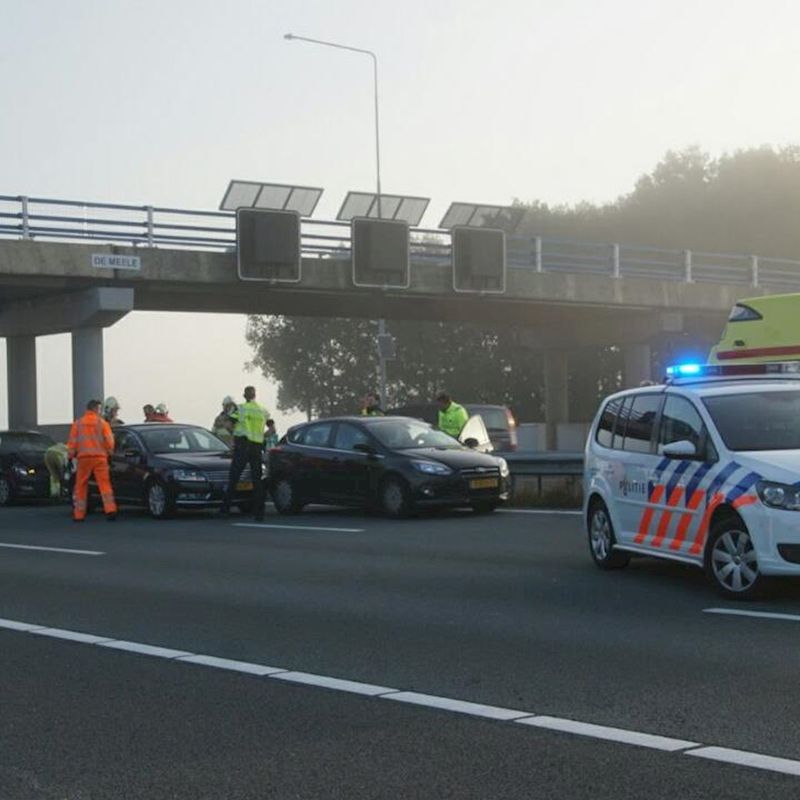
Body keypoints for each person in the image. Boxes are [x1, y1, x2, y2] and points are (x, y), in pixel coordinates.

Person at [219, 386, 269, 521]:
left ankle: (225, 510)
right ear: (255, 395)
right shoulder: (263, 410)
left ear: (244, 395)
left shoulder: (241, 408)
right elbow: (271, 429)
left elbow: (229, 425)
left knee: (234, 477)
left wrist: (232, 434)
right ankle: (259, 513)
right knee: (257, 480)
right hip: (257, 447)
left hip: (243, 445)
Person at [68, 399, 117, 522]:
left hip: (83, 459)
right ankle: (110, 509)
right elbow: (110, 441)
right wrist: (110, 453)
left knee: (81, 486)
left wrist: (70, 456)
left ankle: (79, 514)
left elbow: (72, 443)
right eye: (99, 409)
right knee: (104, 485)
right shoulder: (102, 423)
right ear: (96, 409)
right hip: (100, 458)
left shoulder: (78, 424)